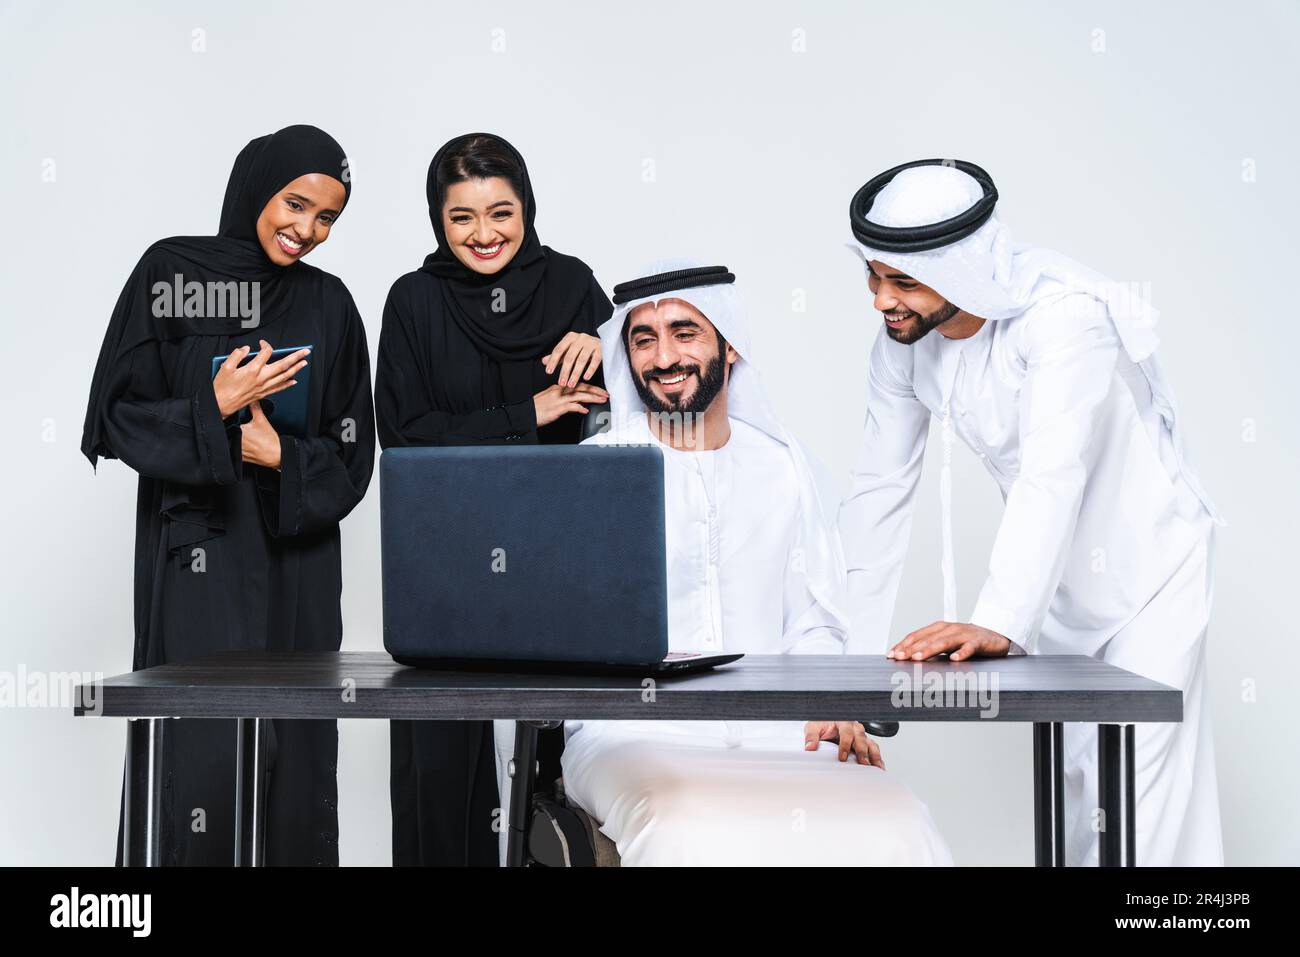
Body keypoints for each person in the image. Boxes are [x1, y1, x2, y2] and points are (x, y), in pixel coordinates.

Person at [839, 159, 1222, 865]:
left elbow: (1054, 471)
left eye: (901, 281)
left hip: (1154, 578)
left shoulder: (1065, 317)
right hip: (1058, 591)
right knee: (1084, 797)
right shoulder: (904, 345)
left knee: (1142, 804)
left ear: (961, 272)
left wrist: (997, 620)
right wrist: (846, 666)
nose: (880, 299)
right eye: (872, 274)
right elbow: (878, 491)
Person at [557, 260, 953, 866]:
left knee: (897, 822)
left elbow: (813, 619)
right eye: (644, 339)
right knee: (686, 827)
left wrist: (829, 700)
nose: (665, 357)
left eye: (686, 333)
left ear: (729, 346)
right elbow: (560, 634)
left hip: (782, 726)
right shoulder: (593, 473)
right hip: (633, 730)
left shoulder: (782, 468)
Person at [82, 125, 375, 865]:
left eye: (327, 218)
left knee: (298, 763)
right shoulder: (174, 273)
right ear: (258, 187)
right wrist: (210, 412)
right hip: (199, 559)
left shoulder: (330, 304)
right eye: (296, 203)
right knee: (199, 760)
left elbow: (353, 451)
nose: (306, 229)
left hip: (297, 563)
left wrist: (279, 453)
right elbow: (114, 414)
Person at [375, 132, 611, 866]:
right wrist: (527, 414)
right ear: (437, 221)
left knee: (560, 764)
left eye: (501, 212)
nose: (485, 234)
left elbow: (627, 417)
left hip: (557, 556)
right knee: (441, 762)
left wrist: (609, 350)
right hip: (444, 559)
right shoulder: (415, 300)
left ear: (527, 207)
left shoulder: (573, 287)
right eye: (462, 218)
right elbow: (403, 436)